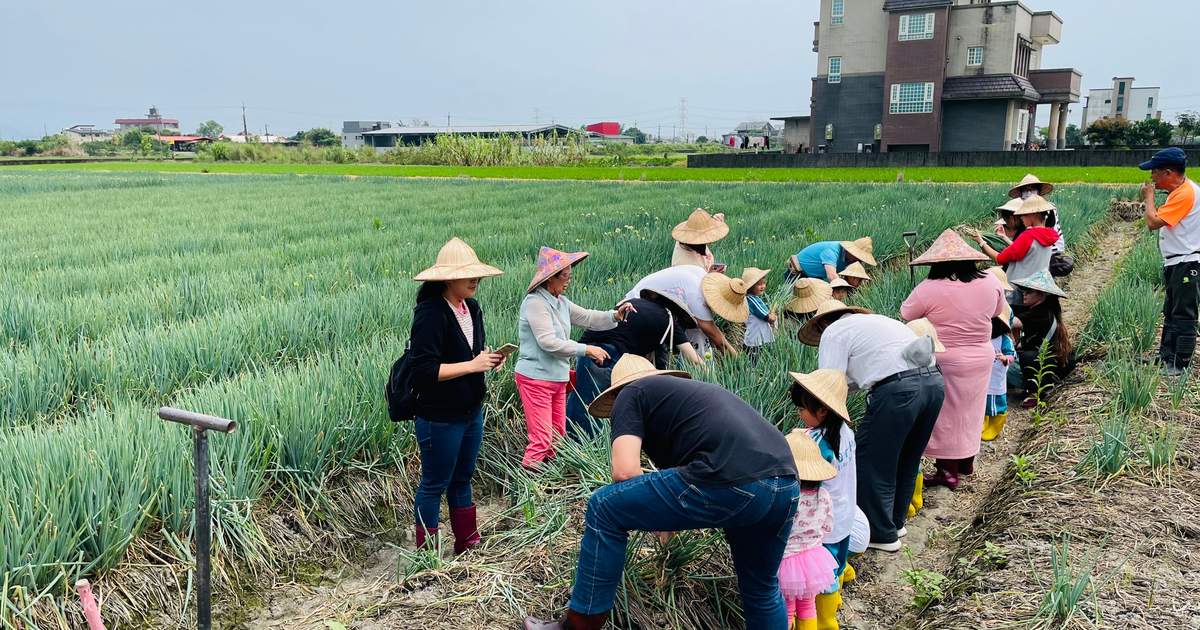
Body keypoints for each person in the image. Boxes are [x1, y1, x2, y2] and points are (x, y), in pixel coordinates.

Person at [524, 355, 800, 630]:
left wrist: (640, 515)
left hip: (732, 477)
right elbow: (680, 483)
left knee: (603, 506)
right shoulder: (684, 403)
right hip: (786, 483)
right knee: (761, 587)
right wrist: (663, 522)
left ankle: (578, 625)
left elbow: (625, 472)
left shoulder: (630, 393)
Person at [799, 300, 944, 552]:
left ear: (822, 324)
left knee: (872, 461)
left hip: (899, 392)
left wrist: (820, 427)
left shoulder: (833, 332)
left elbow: (828, 384)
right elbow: (861, 377)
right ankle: (895, 523)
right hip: (934, 384)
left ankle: (881, 534)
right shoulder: (876, 324)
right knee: (907, 457)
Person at [408, 237, 506, 552]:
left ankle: (467, 542)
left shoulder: (471, 308)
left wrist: (488, 360)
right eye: (467, 275)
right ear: (448, 279)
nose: (474, 280)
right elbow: (423, 371)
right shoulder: (431, 313)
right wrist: (472, 365)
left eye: (476, 274)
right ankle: (428, 556)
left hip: (470, 411)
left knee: (463, 478)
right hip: (440, 416)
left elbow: (472, 354)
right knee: (434, 483)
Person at [901, 229, 1006, 491]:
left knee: (946, 415)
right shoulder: (990, 281)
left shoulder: (929, 288)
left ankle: (947, 471)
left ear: (936, 263)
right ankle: (966, 462)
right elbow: (997, 310)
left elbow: (906, 314)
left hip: (946, 359)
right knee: (971, 410)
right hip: (981, 356)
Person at [516, 247, 634, 469]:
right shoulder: (535, 303)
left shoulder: (561, 302)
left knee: (557, 437)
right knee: (542, 439)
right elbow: (548, 342)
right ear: (550, 278)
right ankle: (528, 484)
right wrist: (586, 349)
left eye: (570, 275)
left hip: (557, 378)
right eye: (565, 276)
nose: (569, 280)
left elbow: (588, 317)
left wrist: (615, 316)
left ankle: (549, 480)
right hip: (536, 379)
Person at [567, 288, 704, 438]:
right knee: (597, 406)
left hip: (587, 350)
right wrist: (709, 374)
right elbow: (695, 360)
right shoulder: (669, 320)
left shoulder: (636, 303)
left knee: (580, 399)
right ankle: (589, 443)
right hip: (607, 355)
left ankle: (569, 442)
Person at [788, 369, 857, 630]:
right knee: (837, 562)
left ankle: (826, 620)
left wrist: (799, 441)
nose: (799, 413)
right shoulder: (845, 433)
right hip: (844, 514)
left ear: (823, 411)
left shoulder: (817, 445)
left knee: (822, 575)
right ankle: (835, 598)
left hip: (821, 523)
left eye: (801, 409)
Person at [1140, 147, 1200, 377]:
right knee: (1172, 311)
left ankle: (1180, 362)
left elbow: (1153, 222)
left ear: (1168, 173)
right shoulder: (1179, 192)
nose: (1152, 177)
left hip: (1187, 262)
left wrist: (1149, 197)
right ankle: (1166, 356)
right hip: (1178, 262)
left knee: (1183, 313)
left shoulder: (1185, 193)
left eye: (1154, 172)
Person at [776, 430, 839, 630]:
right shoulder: (824, 495)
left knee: (787, 608)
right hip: (814, 559)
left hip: (786, 560)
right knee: (807, 605)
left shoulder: (788, 496)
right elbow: (828, 526)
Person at [627, 265, 739, 357]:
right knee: (654, 357)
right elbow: (719, 340)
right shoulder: (696, 297)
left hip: (644, 303)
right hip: (636, 308)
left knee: (693, 333)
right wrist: (738, 361)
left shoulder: (701, 274)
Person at [971, 195, 1059, 307]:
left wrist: (980, 242)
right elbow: (1024, 252)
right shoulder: (1048, 235)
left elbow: (999, 259)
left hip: (1019, 291)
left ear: (1034, 214)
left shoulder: (1028, 235)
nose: (1021, 217)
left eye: (1024, 214)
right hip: (1037, 290)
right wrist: (1004, 237)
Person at [1012, 271, 1074, 406]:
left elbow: (1012, 322)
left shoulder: (1041, 313)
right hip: (1055, 363)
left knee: (1007, 363)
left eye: (1029, 291)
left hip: (1051, 367)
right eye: (1023, 290)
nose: (1024, 293)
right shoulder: (1046, 309)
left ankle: (1036, 392)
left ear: (1042, 294)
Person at [982, 305, 1016, 442]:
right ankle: (982, 425)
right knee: (982, 400)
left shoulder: (1004, 340)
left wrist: (1005, 358)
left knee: (996, 402)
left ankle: (994, 426)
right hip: (983, 377)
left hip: (996, 378)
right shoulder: (983, 338)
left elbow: (1011, 355)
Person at [1009, 174, 1065, 253]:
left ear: (1038, 192)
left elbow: (1044, 235)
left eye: (1032, 189)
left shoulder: (1047, 208)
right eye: (1025, 190)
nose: (1029, 193)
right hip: (1035, 248)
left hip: (1052, 249)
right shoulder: (1021, 209)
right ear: (1021, 193)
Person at [787, 238, 877, 283]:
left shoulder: (851, 260)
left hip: (815, 277)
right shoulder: (832, 251)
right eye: (858, 257)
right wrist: (844, 291)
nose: (859, 261)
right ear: (852, 252)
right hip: (798, 272)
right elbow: (832, 276)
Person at [743, 268, 777, 361]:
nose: (762, 286)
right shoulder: (752, 300)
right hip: (755, 342)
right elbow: (768, 318)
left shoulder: (754, 299)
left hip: (758, 340)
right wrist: (773, 315)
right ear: (750, 286)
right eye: (759, 284)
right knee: (755, 364)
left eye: (763, 283)